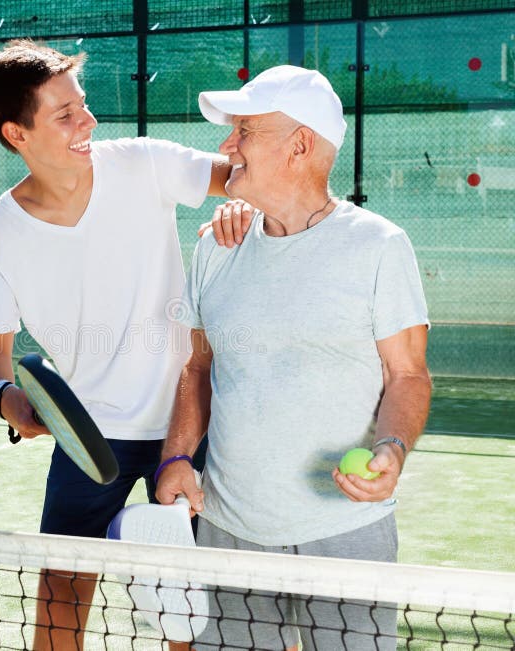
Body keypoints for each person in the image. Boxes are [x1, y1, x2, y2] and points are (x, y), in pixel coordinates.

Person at [0, 39, 243, 651]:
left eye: (84, 105)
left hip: (190, 424)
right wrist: (10, 400)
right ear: (17, 133)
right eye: (64, 115)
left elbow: (243, 180)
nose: (87, 121)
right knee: (60, 599)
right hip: (87, 438)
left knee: (190, 613)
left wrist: (244, 204)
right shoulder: (1, 232)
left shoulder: (143, 162)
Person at [154, 65, 432, 651]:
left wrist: (393, 448)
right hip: (229, 532)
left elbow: (407, 374)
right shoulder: (213, 247)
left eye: (244, 131)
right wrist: (177, 456)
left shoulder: (380, 246)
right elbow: (196, 368)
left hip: (346, 534)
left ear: (299, 144)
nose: (226, 146)